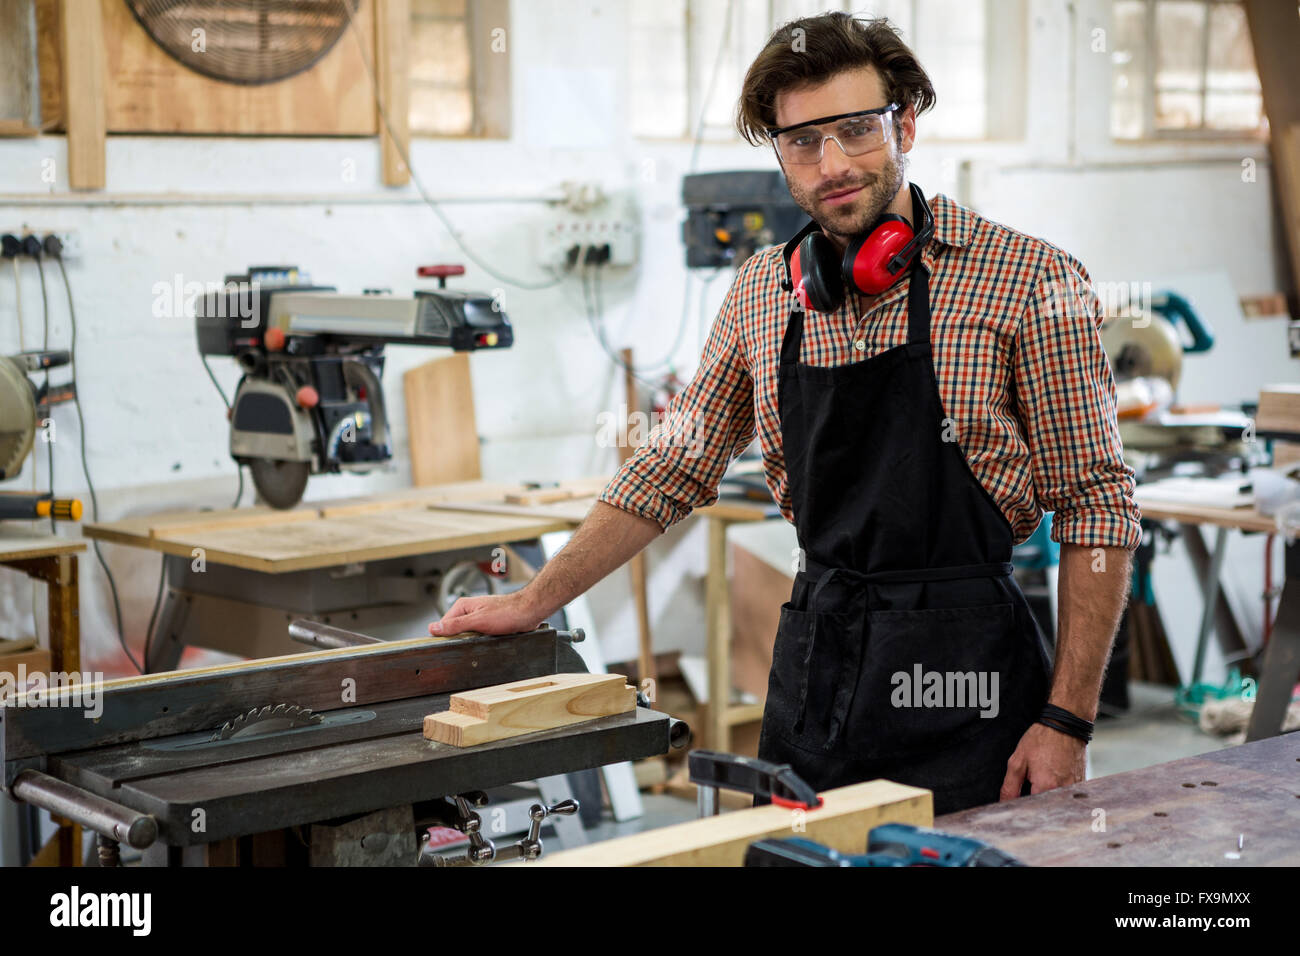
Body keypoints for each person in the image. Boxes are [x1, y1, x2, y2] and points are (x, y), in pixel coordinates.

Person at [430, 12, 1140, 814]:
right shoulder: (764, 294)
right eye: (802, 142)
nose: (832, 164)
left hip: (973, 689)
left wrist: (1067, 720)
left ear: (905, 122)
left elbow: (1098, 504)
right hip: (818, 675)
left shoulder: (1027, 278)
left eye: (856, 130)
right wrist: (534, 600)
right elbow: (674, 465)